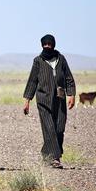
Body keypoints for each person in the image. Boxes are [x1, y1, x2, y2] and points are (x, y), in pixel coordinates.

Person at [23, 34, 76, 169]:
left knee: (59, 128)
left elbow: (69, 78)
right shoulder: (38, 61)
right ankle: (55, 158)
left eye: (49, 44)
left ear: (53, 45)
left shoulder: (61, 59)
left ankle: (46, 153)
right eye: (45, 44)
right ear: (42, 45)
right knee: (49, 128)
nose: (47, 46)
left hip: (60, 99)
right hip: (43, 100)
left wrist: (71, 95)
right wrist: (27, 100)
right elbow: (32, 81)